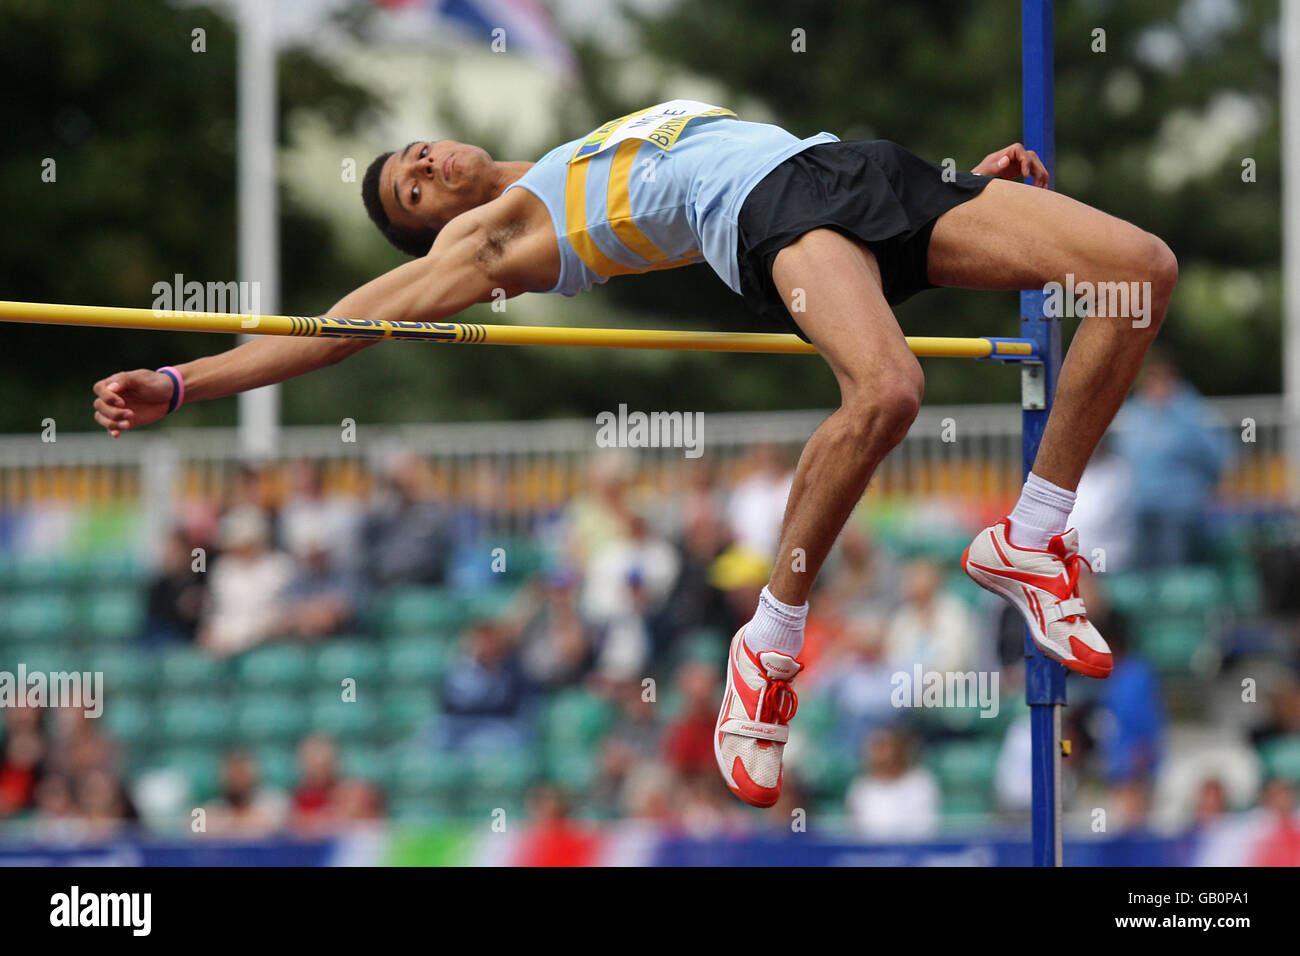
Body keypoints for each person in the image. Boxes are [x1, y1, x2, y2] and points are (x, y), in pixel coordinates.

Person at [90, 99, 1177, 808]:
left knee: (1138, 271)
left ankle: (1029, 536)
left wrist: (955, 189)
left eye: (413, 153)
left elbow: (774, 155)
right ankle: (770, 644)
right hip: (770, 216)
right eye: (407, 192)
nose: (421, 164)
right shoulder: (492, 239)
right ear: (434, 232)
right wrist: (183, 382)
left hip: (850, 171)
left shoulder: (570, 152)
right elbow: (334, 329)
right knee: (889, 389)